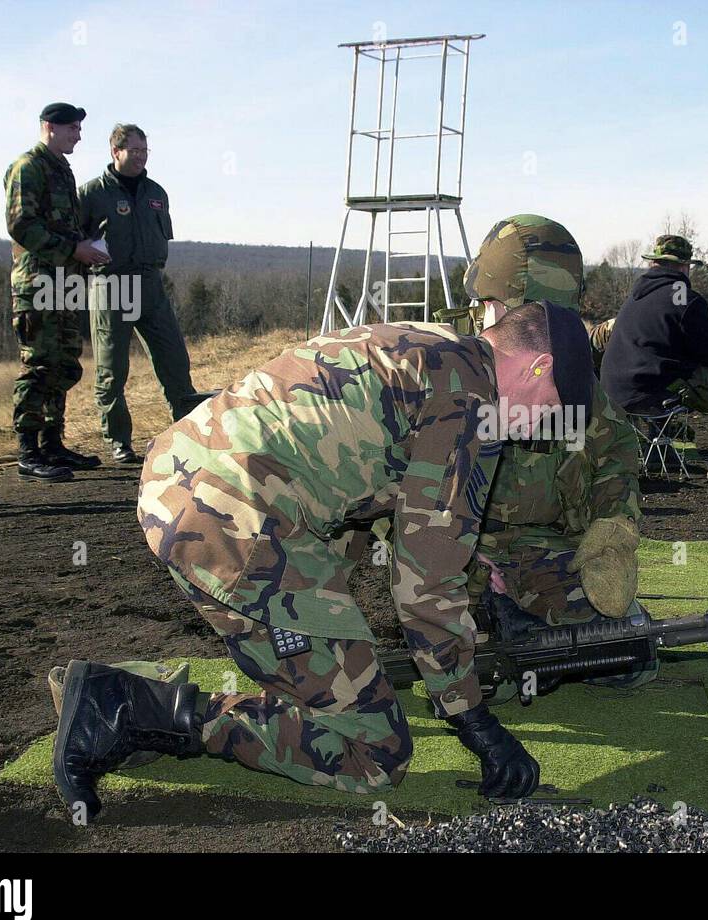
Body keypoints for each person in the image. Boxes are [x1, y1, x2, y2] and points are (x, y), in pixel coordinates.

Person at [52, 304, 596, 820]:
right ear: (538, 364)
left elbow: (378, 515)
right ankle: (127, 709)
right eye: (553, 405)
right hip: (234, 524)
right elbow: (427, 587)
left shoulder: (430, 344)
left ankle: (142, 691)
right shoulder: (473, 405)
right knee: (376, 755)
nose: (544, 426)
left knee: (341, 664)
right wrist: (474, 719)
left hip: (181, 474)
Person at [446, 215, 643, 633]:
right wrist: (459, 554)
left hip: (540, 546)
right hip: (451, 551)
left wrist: (615, 527)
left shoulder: (565, 364)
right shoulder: (443, 363)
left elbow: (614, 450)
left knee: (622, 646)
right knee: (458, 658)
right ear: (491, 305)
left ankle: (515, 629)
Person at [78, 123, 198, 464]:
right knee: (112, 368)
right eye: (135, 151)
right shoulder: (91, 193)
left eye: (145, 151)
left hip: (150, 283)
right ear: (116, 152)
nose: (141, 157)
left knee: (174, 359)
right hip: (111, 284)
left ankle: (188, 430)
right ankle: (118, 440)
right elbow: (74, 241)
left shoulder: (156, 192)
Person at [4, 102, 110, 481]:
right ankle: (28, 450)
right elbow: (20, 225)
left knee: (63, 361)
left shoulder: (61, 169)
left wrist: (85, 243)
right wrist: (73, 249)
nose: (78, 136)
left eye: (79, 129)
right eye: (72, 129)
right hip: (39, 283)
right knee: (39, 363)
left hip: (65, 280)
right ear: (49, 127)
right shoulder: (28, 167)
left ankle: (52, 443)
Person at [601, 234, 708, 480]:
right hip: (654, 396)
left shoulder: (635, 296)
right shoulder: (684, 296)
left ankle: (657, 449)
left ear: (654, 264)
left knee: (662, 372)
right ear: (685, 267)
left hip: (615, 393)